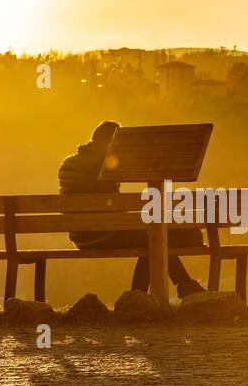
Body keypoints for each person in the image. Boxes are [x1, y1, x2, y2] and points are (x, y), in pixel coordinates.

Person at [58, 120, 205, 298]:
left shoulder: (68, 162)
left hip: (80, 236)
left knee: (152, 237)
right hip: (102, 234)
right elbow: (114, 203)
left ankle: (145, 295)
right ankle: (142, 295)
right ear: (113, 142)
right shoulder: (102, 164)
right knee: (154, 238)